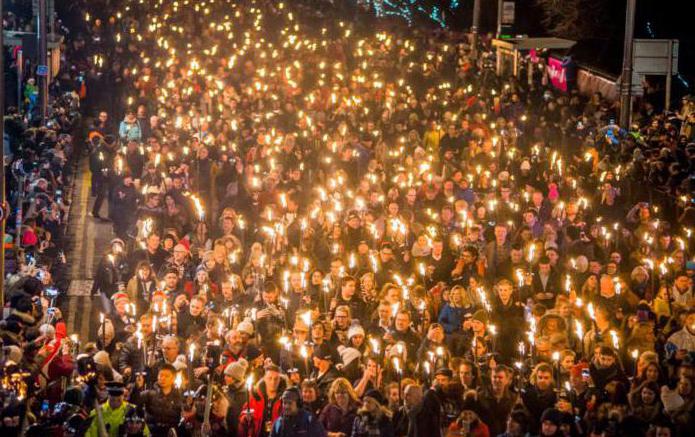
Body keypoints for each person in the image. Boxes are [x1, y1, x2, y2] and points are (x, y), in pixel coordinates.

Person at [239, 364, 285, 437]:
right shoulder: (255, 397)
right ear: (264, 379)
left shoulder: (285, 399)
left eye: (276, 379)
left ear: (280, 380)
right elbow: (243, 418)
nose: (273, 382)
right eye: (270, 378)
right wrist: (245, 418)